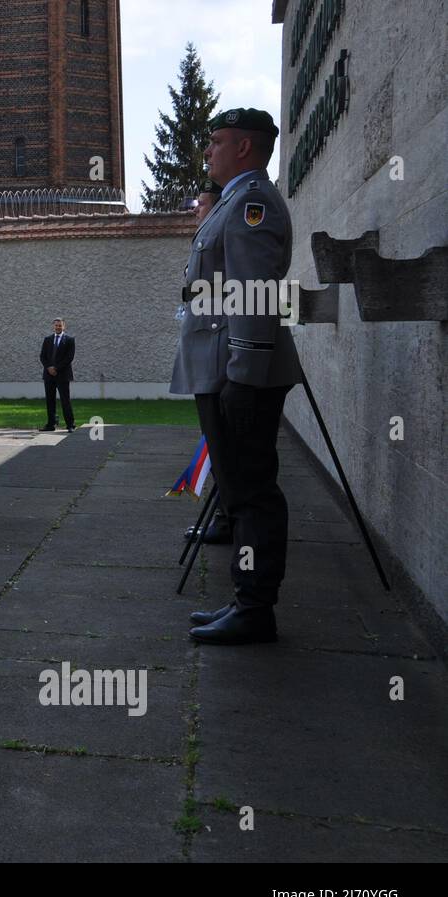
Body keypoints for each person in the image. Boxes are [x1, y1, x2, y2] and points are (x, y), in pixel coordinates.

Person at [170, 108, 302, 646]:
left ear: (245, 148)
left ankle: (255, 608)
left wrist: (242, 377)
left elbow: (254, 293)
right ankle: (245, 601)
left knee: (250, 491)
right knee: (238, 486)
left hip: (238, 371)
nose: (208, 151)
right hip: (226, 368)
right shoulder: (233, 200)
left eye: (217, 142)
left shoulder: (250, 203)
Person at [185, 177, 231, 545]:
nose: (195, 211)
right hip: (210, 351)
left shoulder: (231, 224)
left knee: (225, 447)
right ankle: (225, 517)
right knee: (217, 444)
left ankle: (228, 519)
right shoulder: (209, 233)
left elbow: (251, 289)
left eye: (200, 205)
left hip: (220, 354)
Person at [38, 318, 76, 433]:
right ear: (53, 327)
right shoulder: (47, 339)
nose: (58, 327)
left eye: (60, 325)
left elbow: (69, 358)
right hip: (49, 375)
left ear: (64, 326)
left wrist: (56, 368)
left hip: (62, 375)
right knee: (50, 400)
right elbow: (42, 356)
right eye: (56, 326)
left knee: (65, 400)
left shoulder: (69, 340)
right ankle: (51, 424)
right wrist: (49, 367)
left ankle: (70, 425)